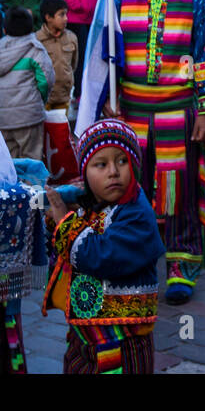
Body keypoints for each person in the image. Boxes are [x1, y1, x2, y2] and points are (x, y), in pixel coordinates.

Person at [92, 0, 205, 304]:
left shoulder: (195, 2)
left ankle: (181, 265)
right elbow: (106, 57)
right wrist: (105, 101)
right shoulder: (120, 2)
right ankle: (136, 260)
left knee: (179, 190)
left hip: (177, 112)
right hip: (132, 114)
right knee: (132, 188)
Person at [43, 119, 165, 373]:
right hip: (86, 333)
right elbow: (62, 252)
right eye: (101, 164)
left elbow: (99, 256)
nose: (113, 171)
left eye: (122, 161)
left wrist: (64, 222)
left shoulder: (136, 213)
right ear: (85, 174)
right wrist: (53, 221)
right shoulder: (93, 204)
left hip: (123, 339)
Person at [0, 7, 55, 160]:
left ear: (4, 30)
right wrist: (39, 101)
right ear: (31, 28)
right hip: (29, 118)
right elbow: (46, 80)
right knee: (32, 159)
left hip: (2, 118)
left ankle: (13, 185)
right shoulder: (35, 49)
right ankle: (33, 185)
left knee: (10, 161)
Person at [37, 0, 78, 182]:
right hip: (44, 100)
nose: (66, 18)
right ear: (48, 18)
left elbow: (74, 64)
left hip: (63, 98)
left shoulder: (71, 37)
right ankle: (46, 176)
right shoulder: (37, 40)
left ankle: (61, 175)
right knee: (43, 140)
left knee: (61, 139)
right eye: (61, 15)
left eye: (66, 14)